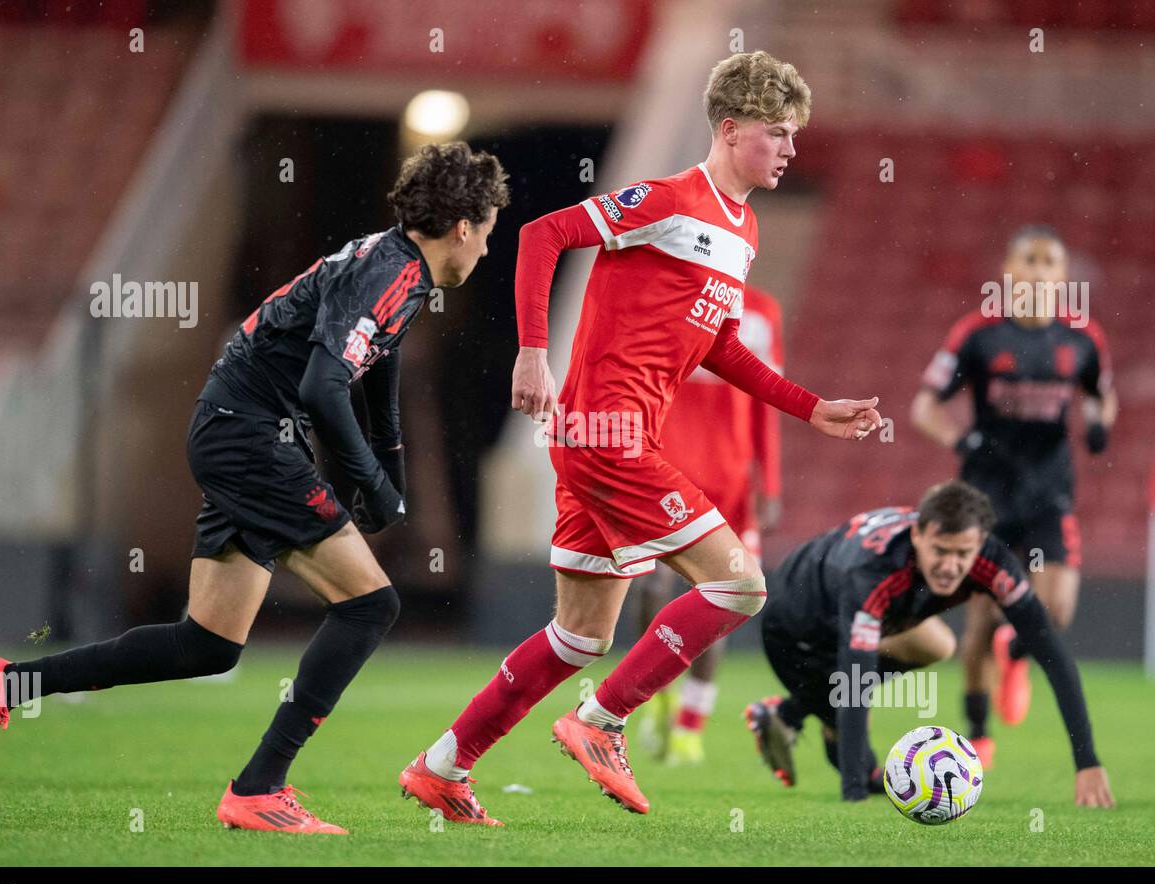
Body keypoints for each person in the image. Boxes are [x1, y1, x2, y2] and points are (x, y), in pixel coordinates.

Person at [0, 142, 510, 835]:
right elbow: (323, 387)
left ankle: (6, 684)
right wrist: (365, 478)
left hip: (240, 427)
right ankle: (259, 787)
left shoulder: (397, 266)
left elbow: (378, 370)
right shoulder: (388, 271)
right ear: (463, 226)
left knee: (205, 645)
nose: (484, 250)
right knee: (370, 606)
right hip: (251, 435)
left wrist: (388, 470)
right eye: (486, 233)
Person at [398, 51, 882, 826]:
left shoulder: (742, 227)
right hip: (606, 433)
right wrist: (531, 351)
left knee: (577, 639)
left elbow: (718, 346)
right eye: (778, 133)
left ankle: (442, 766)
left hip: (607, 437)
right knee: (741, 585)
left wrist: (810, 407)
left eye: (794, 136)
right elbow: (542, 236)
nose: (791, 149)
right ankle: (600, 723)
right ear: (731, 130)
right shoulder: (665, 199)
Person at [746, 479, 1114, 808]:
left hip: (863, 613)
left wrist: (1088, 762)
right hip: (794, 625)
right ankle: (796, 716)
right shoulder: (873, 571)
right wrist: (853, 793)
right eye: (941, 550)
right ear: (918, 535)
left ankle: (787, 714)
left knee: (938, 644)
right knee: (854, 745)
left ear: (980, 543)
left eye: (962, 554)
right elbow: (856, 681)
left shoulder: (992, 561)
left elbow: (1053, 656)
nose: (951, 566)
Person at [910, 225, 1117, 767]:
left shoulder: (1082, 338)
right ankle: (978, 734)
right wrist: (964, 438)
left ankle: (1016, 651)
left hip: (1049, 496)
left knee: (1058, 611)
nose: (1040, 269)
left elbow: (1102, 396)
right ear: (1008, 270)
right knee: (980, 618)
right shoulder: (978, 334)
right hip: (986, 500)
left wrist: (1098, 423)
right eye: (1030, 258)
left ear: (1063, 276)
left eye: (1051, 261)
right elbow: (924, 407)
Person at [634, 284, 783, 766]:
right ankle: (658, 695)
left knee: (723, 598)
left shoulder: (763, 314)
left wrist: (771, 483)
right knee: (651, 590)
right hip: (667, 471)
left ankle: (690, 728)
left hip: (731, 481)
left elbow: (767, 400)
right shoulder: (668, 297)